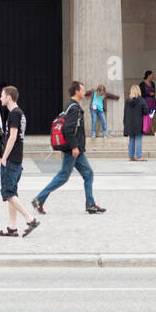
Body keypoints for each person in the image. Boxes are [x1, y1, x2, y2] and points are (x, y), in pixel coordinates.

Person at [33, 81, 105, 215]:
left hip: (76, 150)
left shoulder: (70, 105)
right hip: (73, 150)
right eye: (82, 90)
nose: (84, 92)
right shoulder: (74, 108)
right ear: (76, 92)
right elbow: (68, 129)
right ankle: (39, 199)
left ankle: (90, 204)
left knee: (88, 174)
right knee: (63, 176)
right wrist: (74, 147)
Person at [0, 86, 40, 238]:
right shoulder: (19, 113)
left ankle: (30, 219)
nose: (0, 98)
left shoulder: (14, 114)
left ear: (9, 97)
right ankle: (12, 227)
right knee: (12, 193)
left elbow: (13, 137)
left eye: (2, 95)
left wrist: (4, 157)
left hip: (11, 159)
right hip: (17, 158)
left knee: (8, 193)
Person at [123, 84, 146, 161]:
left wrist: (125, 123)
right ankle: (139, 156)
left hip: (129, 123)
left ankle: (131, 156)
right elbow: (146, 112)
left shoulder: (127, 101)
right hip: (138, 123)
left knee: (131, 139)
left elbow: (125, 113)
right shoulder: (142, 100)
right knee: (138, 139)